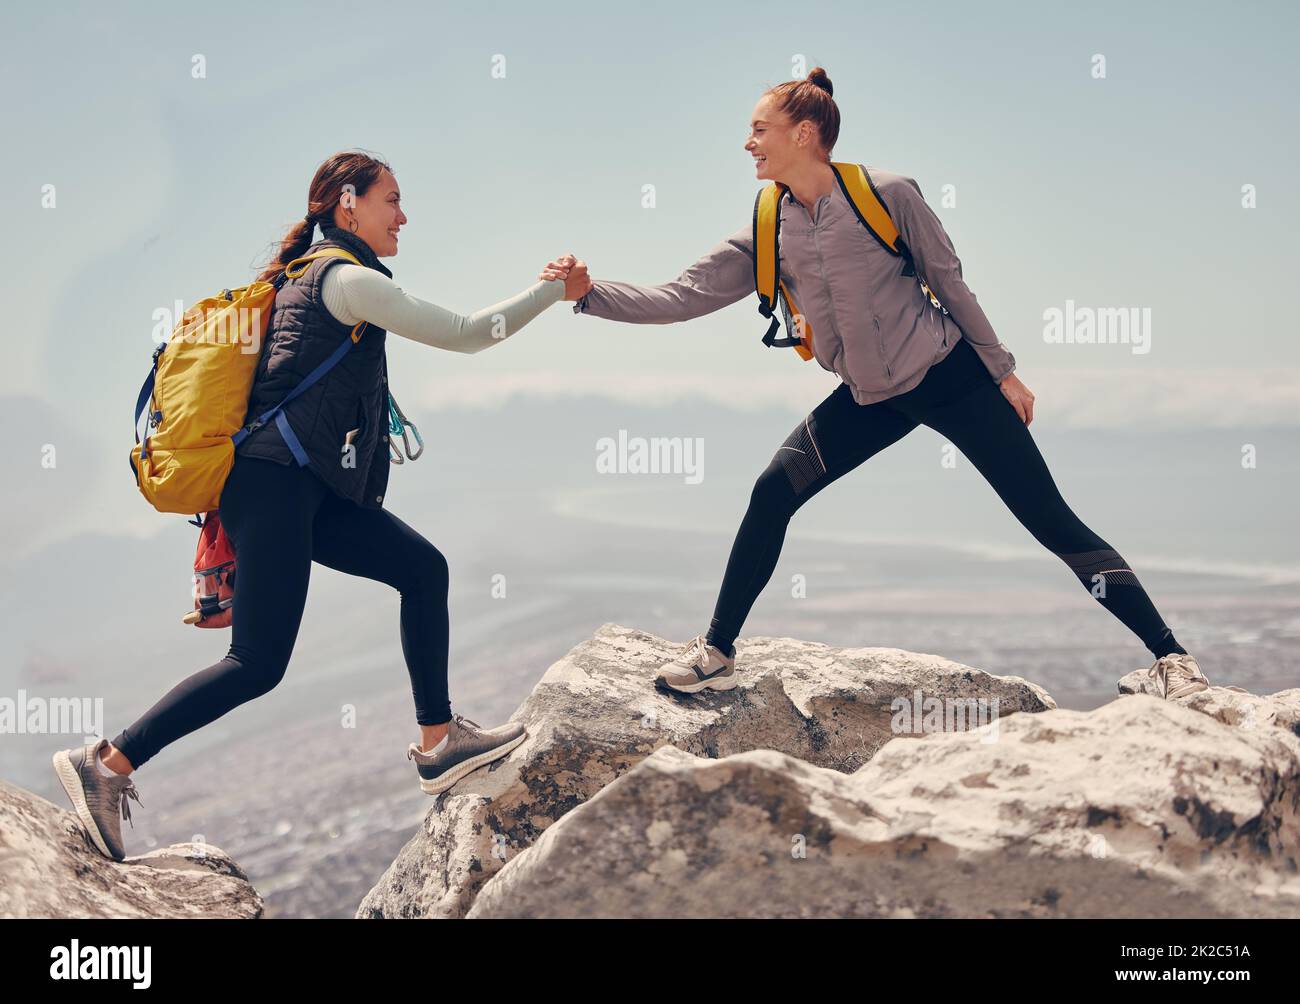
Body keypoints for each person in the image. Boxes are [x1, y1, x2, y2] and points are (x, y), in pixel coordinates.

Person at [554, 68, 1208, 704]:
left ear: (805, 133)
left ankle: (1171, 658)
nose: (748, 143)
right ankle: (718, 653)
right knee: (770, 493)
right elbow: (683, 295)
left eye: (760, 129)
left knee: (1049, 519)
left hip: (952, 378)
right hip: (870, 397)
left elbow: (950, 283)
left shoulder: (887, 194)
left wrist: (1003, 371)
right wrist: (589, 293)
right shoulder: (768, 223)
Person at [53, 150, 593, 862]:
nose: (403, 215)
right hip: (276, 485)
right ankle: (107, 763)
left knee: (422, 569)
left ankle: (438, 741)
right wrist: (552, 291)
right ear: (348, 203)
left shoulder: (315, 279)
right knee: (257, 662)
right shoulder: (343, 279)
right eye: (391, 199)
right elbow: (467, 332)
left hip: (304, 490)